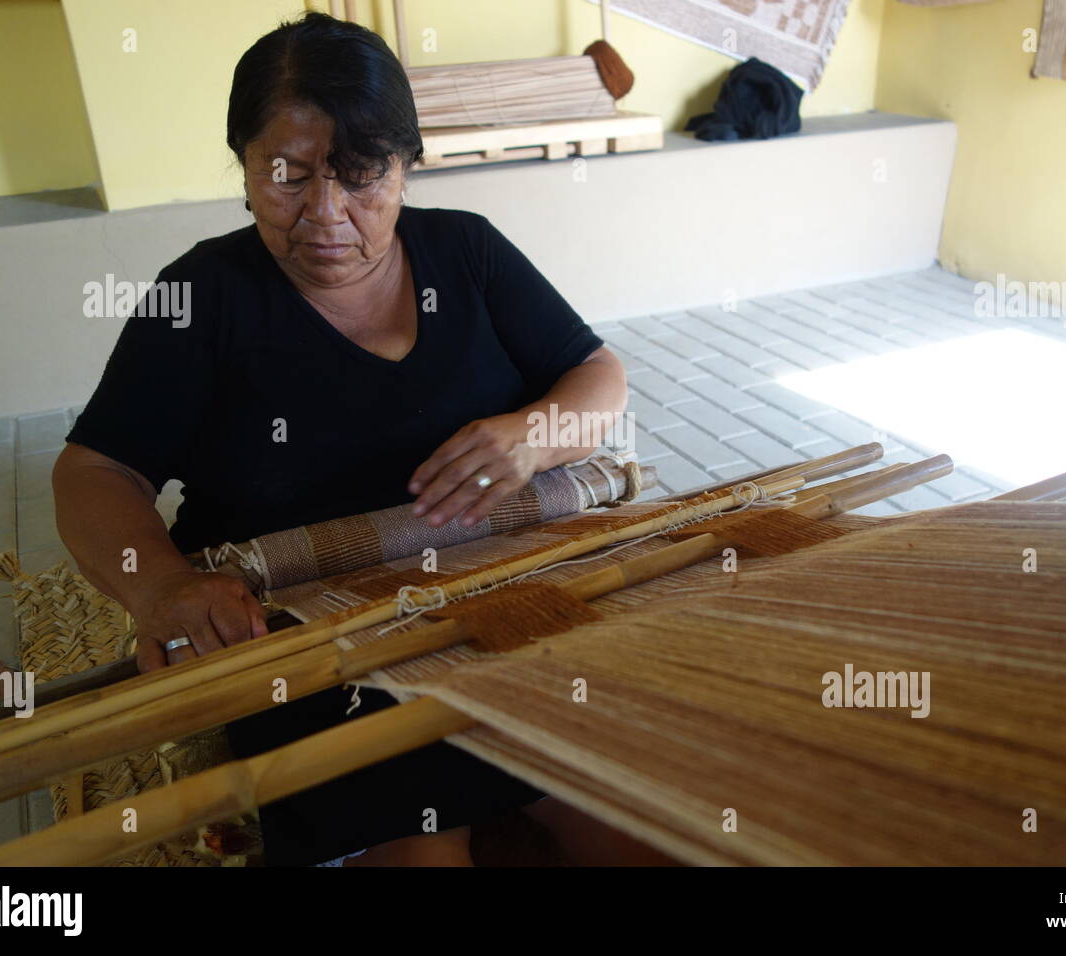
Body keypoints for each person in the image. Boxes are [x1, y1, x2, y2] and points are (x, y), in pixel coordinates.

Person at [53, 12, 640, 866]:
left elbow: (598, 375)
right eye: (285, 175)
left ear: (407, 166)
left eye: (362, 174)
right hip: (310, 641)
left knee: (635, 824)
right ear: (245, 167)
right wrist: (165, 590)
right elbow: (96, 470)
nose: (325, 214)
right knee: (426, 851)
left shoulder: (465, 252)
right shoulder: (203, 296)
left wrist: (534, 436)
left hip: (504, 597)